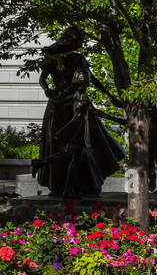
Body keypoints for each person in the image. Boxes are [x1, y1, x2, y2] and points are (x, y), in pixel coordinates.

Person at [32, 27, 126, 197]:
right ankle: (61, 186)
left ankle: (85, 184)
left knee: (89, 145)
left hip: (76, 102)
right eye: (79, 41)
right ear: (71, 40)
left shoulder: (78, 58)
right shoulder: (53, 58)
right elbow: (42, 79)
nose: (81, 44)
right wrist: (47, 90)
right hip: (59, 106)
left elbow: (92, 78)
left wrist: (110, 95)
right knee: (64, 146)